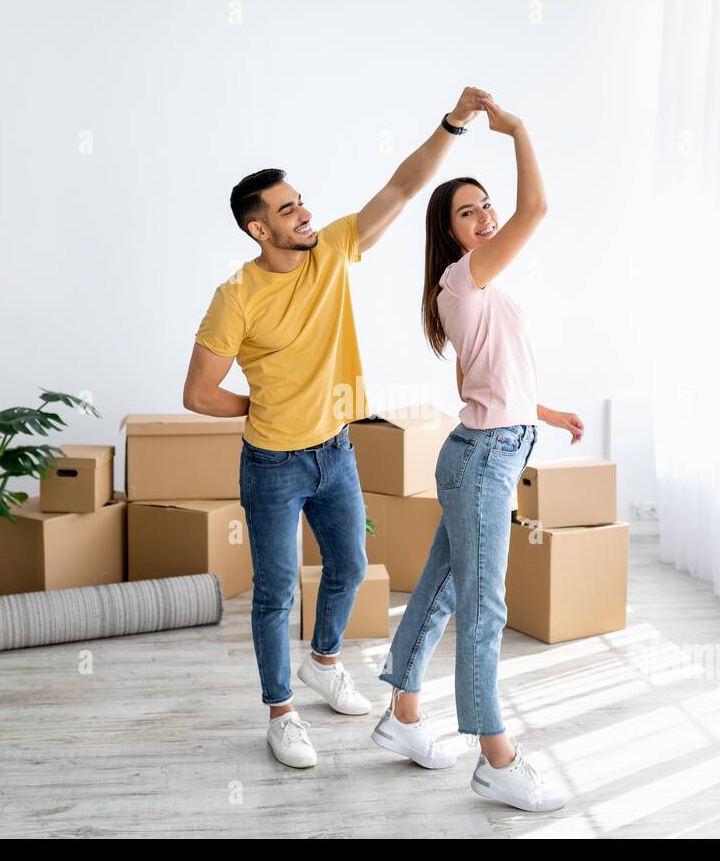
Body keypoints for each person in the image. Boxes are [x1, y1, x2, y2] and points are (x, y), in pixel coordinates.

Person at [183, 87, 494, 769]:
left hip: (336, 452)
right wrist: (267, 407)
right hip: (272, 464)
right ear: (258, 229)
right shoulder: (235, 298)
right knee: (274, 594)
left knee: (350, 567)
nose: (305, 213)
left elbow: (405, 185)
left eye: (301, 201)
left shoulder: (331, 252)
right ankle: (281, 712)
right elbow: (199, 394)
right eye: (287, 208)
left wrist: (453, 123)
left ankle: (323, 662)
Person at [372, 98, 584, 812]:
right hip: (483, 462)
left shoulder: (474, 288)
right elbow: (539, 210)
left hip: (484, 451)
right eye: (470, 212)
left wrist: (544, 412)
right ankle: (497, 758)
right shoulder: (464, 279)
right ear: (449, 232)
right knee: (484, 608)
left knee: (441, 593)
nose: (487, 217)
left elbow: (479, 380)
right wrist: (521, 129)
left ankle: (402, 718)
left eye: (487, 206)